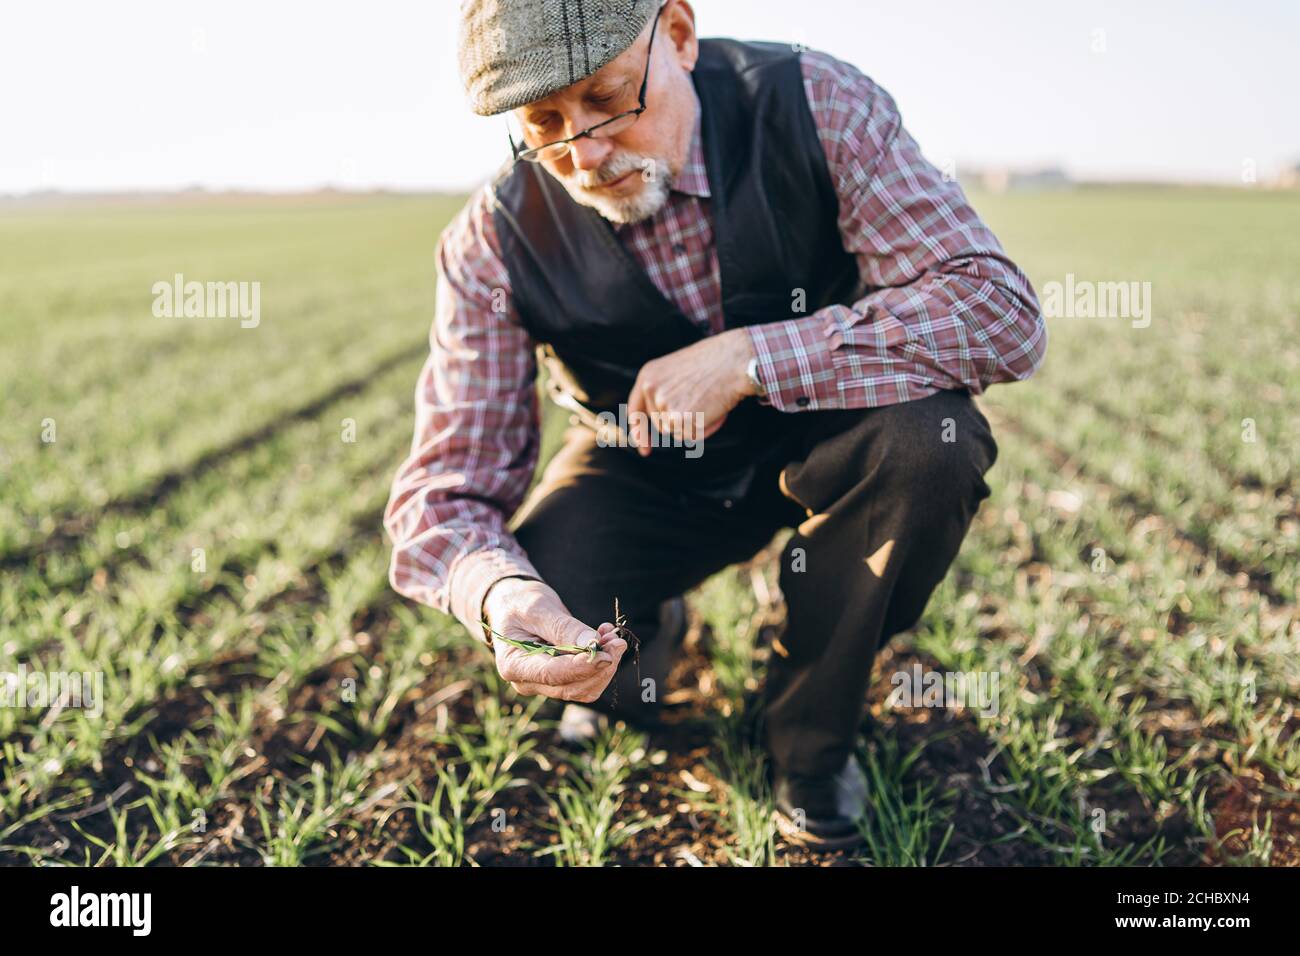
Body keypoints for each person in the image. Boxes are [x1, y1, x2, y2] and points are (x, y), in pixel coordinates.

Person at [384, 0, 1046, 850]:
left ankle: (810, 738)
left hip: (840, 432)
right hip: (648, 470)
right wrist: (497, 597)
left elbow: (998, 312)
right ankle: (647, 639)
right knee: (551, 584)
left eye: (612, 98)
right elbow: (444, 494)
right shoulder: (491, 243)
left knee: (929, 448)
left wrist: (751, 360)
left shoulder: (817, 104)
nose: (584, 153)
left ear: (681, 35)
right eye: (543, 123)